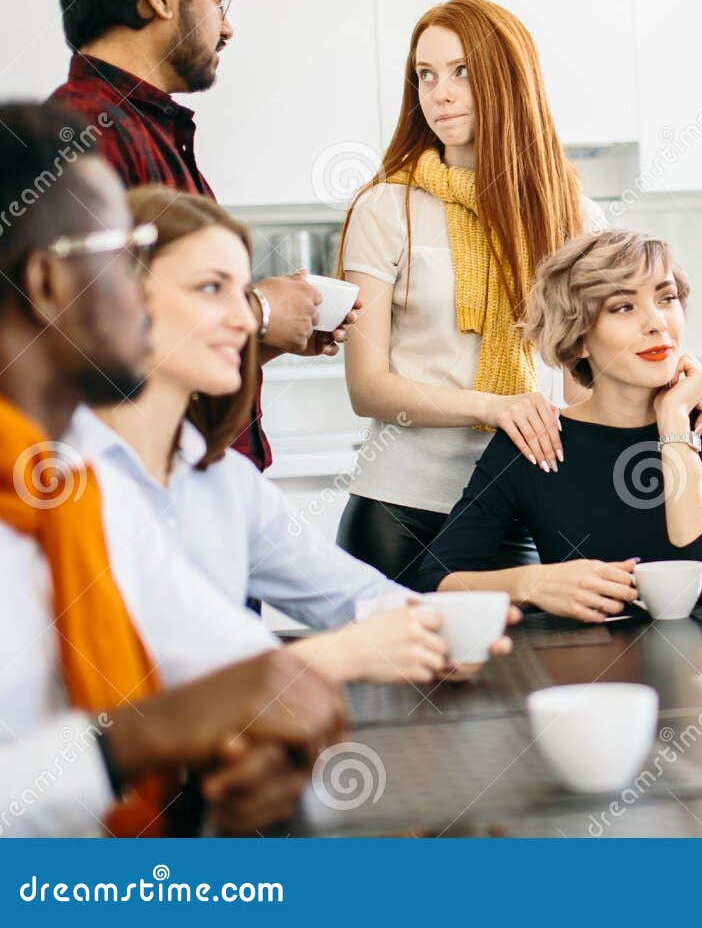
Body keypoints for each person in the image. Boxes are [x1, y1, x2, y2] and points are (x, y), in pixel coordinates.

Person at [0, 102, 344, 837]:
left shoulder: (78, 495)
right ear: (50, 283)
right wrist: (125, 744)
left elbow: (248, 672)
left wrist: (262, 749)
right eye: (126, 257)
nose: (144, 296)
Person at [338, 0, 702, 582]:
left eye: (461, 72)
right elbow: (367, 387)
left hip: (528, 500)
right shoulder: (385, 209)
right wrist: (496, 409)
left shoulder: (573, 215)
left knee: (534, 671)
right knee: (403, 676)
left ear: (507, 81)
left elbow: (596, 362)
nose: (439, 94)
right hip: (401, 511)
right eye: (425, 75)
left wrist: (677, 373)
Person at [72, 186, 514, 683]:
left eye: (243, 292)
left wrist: (450, 623)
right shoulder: (57, 477)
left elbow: (350, 596)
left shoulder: (225, 483)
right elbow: (146, 682)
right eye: (211, 289)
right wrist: (329, 658)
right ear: (115, 299)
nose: (245, 318)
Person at [48, 0, 355, 471]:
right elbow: (98, 337)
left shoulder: (149, 130)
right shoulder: (89, 132)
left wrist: (259, 336)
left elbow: (164, 342)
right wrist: (257, 310)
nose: (229, 26)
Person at [407, 229, 702, 621]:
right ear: (577, 338)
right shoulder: (535, 442)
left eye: (666, 298)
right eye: (623, 307)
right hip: (584, 673)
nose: (656, 323)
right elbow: (434, 583)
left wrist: (673, 424)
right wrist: (535, 584)